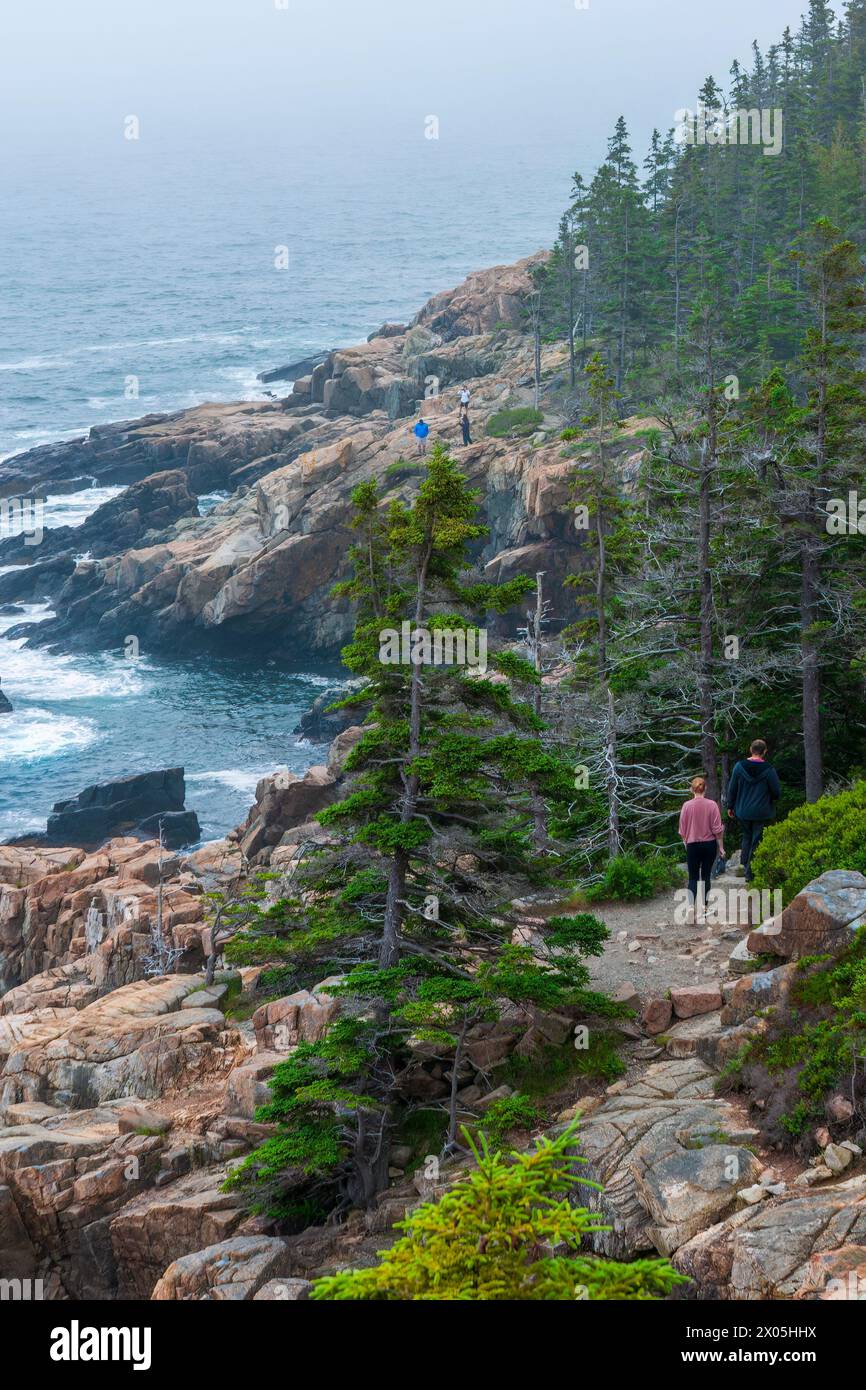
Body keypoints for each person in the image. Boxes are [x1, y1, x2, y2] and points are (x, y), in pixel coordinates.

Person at [726, 739, 781, 881]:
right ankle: (750, 872)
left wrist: (730, 806)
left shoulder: (739, 767)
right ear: (764, 751)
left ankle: (745, 865)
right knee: (757, 839)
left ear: (751, 749)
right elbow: (776, 792)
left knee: (747, 836)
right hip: (762, 811)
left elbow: (732, 788)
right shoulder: (769, 769)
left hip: (743, 810)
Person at [678, 776, 725, 923]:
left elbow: (682, 829)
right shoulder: (712, 805)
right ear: (705, 789)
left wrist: (686, 842)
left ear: (692, 789)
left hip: (692, 845)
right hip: (709, 845)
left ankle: (691, 907)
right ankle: (704, 908)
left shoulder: (686, 806)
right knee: (705, 877)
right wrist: (721, 847)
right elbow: (717, 829)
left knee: (692, 877)